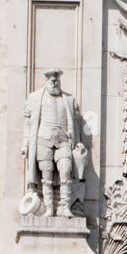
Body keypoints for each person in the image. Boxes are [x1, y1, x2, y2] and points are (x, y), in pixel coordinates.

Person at [23, 69, 88, 217]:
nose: (54, 82)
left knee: (65, 170)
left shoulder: (69, 99)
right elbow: (28, 122)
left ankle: (64, 206)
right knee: (46, 175)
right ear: (46, 81)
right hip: (42, 140)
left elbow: (75, 123)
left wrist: (78, 141)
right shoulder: (34, 98)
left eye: (57, 80)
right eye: (51, 80)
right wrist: (25, 144)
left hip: (63, 140)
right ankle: (49, 208)